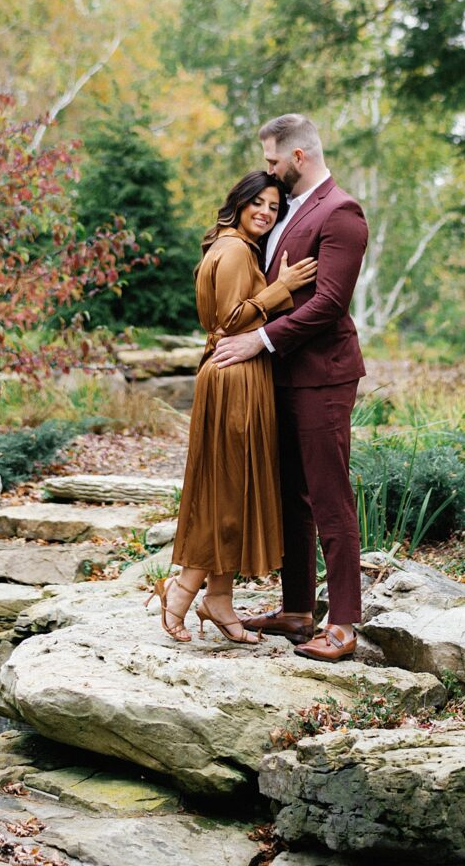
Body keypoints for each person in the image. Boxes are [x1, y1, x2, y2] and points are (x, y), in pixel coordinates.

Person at [212, 113, 368, 662]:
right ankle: (299, 609)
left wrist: (260, 340)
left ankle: (345, 623)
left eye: (273, 160)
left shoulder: (341, 211)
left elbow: (328, 304)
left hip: (323, 374)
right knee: (293, 498)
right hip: (282, 377)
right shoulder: (289, 210)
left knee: (329, 496)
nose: (268, 171)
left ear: (298, 157)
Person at [151, 170, 318, 644]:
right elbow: (229, 320)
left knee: (235, 490)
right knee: (226, 492)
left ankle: (219, 600)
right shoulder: (233, 250)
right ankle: (183, 590)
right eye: (258, 204)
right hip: (232, 376)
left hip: (241, 375)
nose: (265, 213)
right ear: (239, 203)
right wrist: (281, 288)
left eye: (274, 207)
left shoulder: (234, 247)